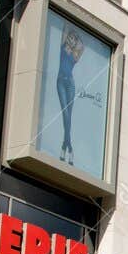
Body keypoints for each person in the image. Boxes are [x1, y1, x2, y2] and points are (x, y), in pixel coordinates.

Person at [55, 26, 86, 163]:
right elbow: (65, 28)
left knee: (69, 116)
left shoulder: (75, 55)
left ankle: (64, 147)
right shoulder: (62, 47)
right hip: (61, 81)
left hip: (70, 84)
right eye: (70, 37)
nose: (71, 40)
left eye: (74, 39)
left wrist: (79, 40)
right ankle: (70, 148)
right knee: (65, 114)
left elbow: (83, 47)